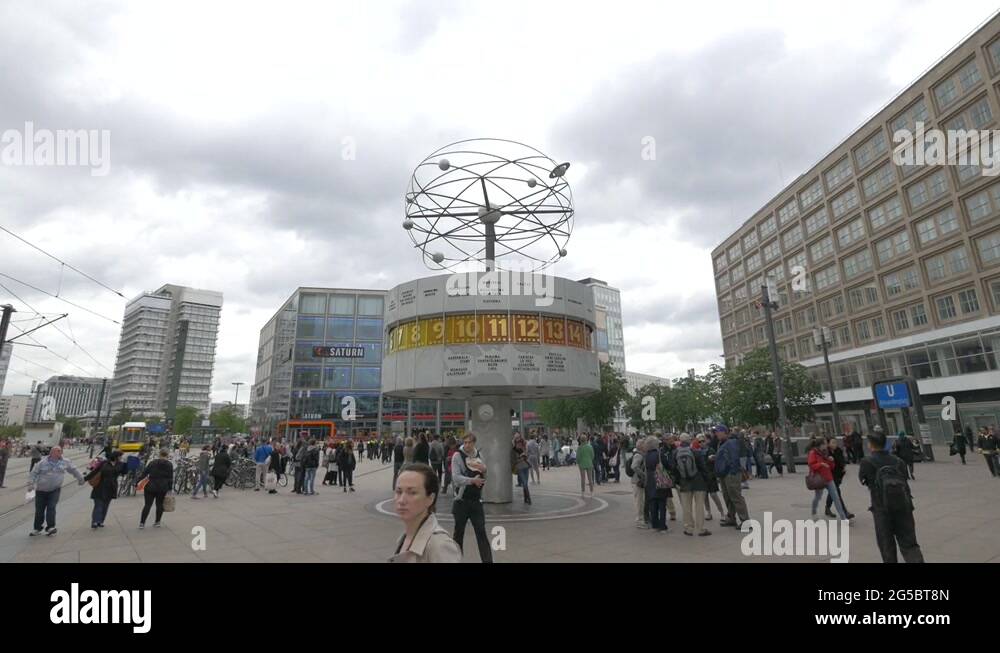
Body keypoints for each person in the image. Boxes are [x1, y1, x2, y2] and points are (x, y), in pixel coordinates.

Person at [858, 430, 924, 563]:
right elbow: (904, 478)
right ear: (886, 444)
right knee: (910, 545)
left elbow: (862, 479)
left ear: (871, 445)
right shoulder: (898, 461)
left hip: (882, 509)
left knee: (887, 547)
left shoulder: (867, 462)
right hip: (904, 506)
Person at [389, 463, 462, 563]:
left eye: (412, 492)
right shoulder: (405, 537)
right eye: (399, 491)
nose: (401, 500)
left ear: (430, 498)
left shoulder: (439, 545)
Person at [450, 432, 493, 563]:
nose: (467, 445)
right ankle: (455, 560)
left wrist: (484, 470)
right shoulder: (457, 456)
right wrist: (472, 481)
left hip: (476, 501)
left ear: (474, 443)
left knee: (481, 533)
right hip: (461, 501)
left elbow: (484, 476)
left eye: (470, 442)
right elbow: (456, 478)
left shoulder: (479, 456)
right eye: (465, 442)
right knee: (458, 534)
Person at [27, 445, 86, 536]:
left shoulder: (65, 462)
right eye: (57, 451)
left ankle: (51, 527)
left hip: (55, 490)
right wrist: (31, 484)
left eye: (60, 451)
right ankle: (37, 528)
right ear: (51, 453)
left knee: (51, 507)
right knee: (39, 510)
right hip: (41, 490)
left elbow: (74, 470)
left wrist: (81, 479)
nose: (59, 453)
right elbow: (33, 473)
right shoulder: (42, 463)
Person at [670, 433, 711, 537]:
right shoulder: (696, 452)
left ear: (679, 441)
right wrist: (707, 480)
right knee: (699, 505)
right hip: (698, 482)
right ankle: (701, 529)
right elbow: (703, 468)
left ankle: (688, 528)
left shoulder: (675, 453)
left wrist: (678, 481)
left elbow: (674, 469)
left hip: (684, 483)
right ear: (690, 441)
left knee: (686, 506)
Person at [807, 438, 851, 522]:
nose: (826, 445)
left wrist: (831, 461)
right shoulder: (813, 453)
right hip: (819, 479)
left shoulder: (826, 452)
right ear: (820, 445)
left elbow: (831, 466)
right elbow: (811, 465)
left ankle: (843, 517)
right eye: (825, 444)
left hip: (829, 478)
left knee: (836, 497)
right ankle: (814, 512)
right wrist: (821, 464)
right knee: (818, 497)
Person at [713, 425, 749, 528]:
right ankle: (731, 518)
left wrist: (732, 472)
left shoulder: (731, 442)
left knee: (736, 497)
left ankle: (745, 521)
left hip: (730, 473)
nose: (716, 434)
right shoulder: (723, 443)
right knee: (727, 497)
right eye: (715, 432)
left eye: (718, 431)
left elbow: (734, 459)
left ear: (724, 432)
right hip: (724, 473)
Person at [84, 450, 125, 529]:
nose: (121, 458)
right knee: (98, 505)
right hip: (100, 486)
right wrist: (85, 479)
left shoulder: (120, 464)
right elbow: (94, 472)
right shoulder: (104, 463)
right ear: (116, 457)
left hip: (111, 487)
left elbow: (124, 472)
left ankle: (100, 521)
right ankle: (95, 522)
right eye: (120, 456)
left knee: (105, 505)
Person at [136, 448, 173, 529]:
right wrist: (170, 488)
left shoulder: (152, 463)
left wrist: (137, 481)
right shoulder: (169, 464)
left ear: (159, 454)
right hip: (162, 487)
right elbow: (170, 478)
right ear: (167, 455)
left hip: (150, 486)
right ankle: (157, 522)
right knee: (159, 504)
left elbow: (145, 473)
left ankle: (142, 523)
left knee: (147, 505)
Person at [697, 434, 725, 521]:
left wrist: (713, 458)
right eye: (699, 442)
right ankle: (708, 512)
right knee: (705, 496)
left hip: (711, 475)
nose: (702, 443)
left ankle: (722, 513)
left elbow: (717, 461)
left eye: (703, 441)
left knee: (714, 495)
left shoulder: (710, 450)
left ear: (706, 441)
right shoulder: (698, 451)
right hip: (702, 476)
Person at [824, 437, 854, 519]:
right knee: (837, 492)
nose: (835, 444)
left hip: (838, 475)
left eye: (835, 442)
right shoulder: (826, 452)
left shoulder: (838, 450)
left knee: (833, 492)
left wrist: (844, 466)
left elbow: (842, 460)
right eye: (833, 442)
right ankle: (845, 512)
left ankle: (827, 508)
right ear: (828, 444)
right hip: (829, 476)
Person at [629, 439, 648, 528]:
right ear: (641, 446)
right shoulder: (638, 455)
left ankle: (642, 519)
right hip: (637, 481)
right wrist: (643, 475)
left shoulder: (640, 454)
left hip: (637, 481)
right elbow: (634, 466)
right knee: (639, 502)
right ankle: (639, 521)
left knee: (641, 501)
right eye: (645, 445)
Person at [511, 439, 531, 505]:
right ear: (515, 444)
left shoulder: (522, 450)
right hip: (520, 468)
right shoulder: (513, 451)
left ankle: (525, 498)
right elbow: (513, 461)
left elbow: (526, 458)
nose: (519, 445)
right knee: (524, 483)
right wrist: (520, 458)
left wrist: (525, 456)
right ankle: (529, 498)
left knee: (526, 483)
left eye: (520, 444)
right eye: (518, 444)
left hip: (526, 467)